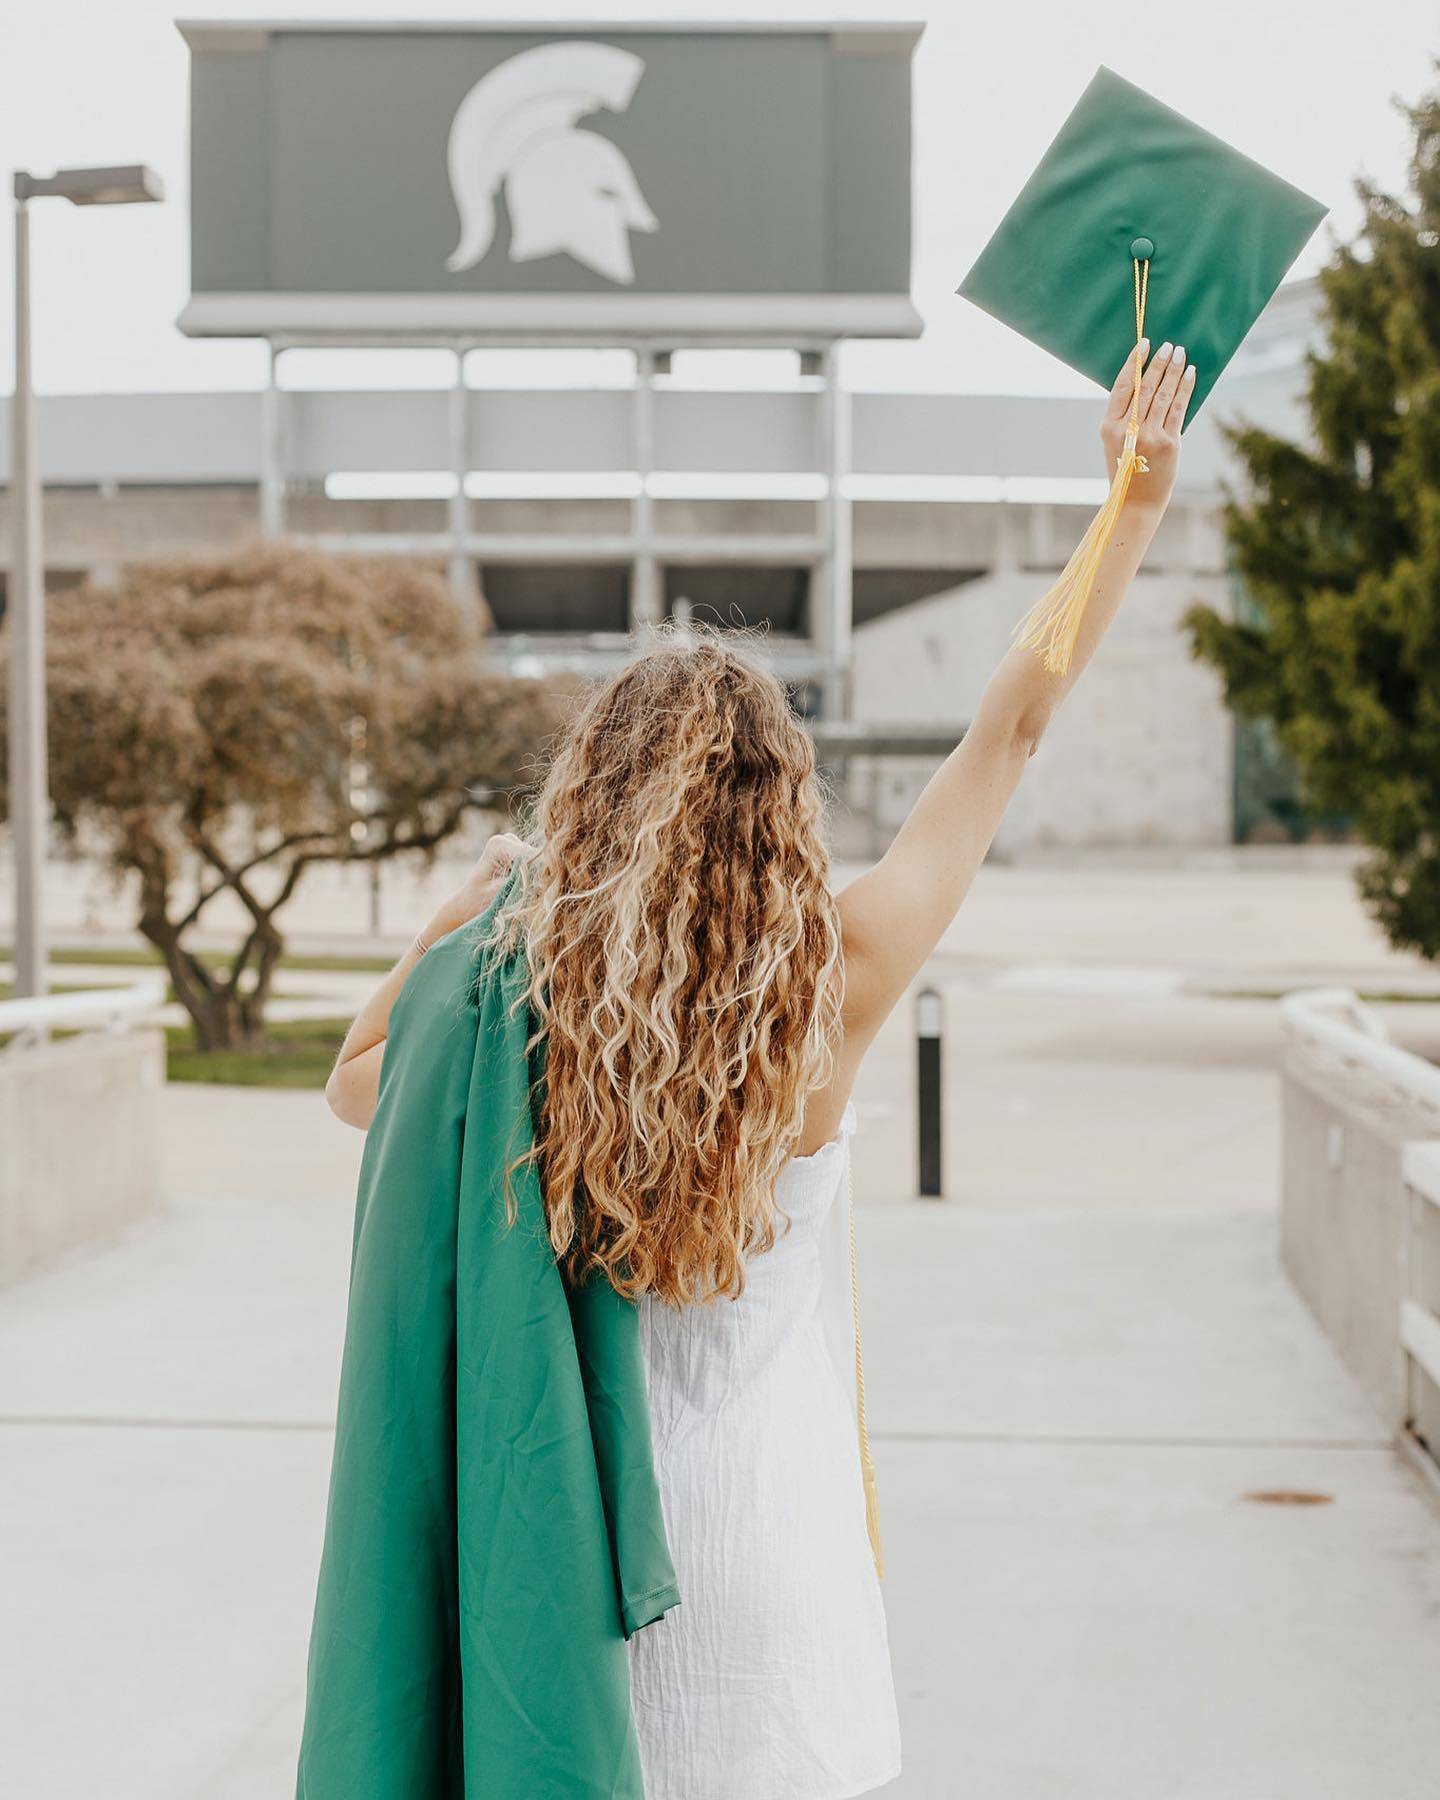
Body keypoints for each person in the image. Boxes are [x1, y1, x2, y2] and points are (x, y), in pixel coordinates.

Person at [323, 341, 1196, 1799]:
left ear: (590, 805)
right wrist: (1133, 505)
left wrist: (469, 904)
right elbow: (1011, 731)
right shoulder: (836, 993)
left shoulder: (509, 1020)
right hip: (778, 1583)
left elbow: (359, 1076)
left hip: (590, 1582)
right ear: (778, 811)